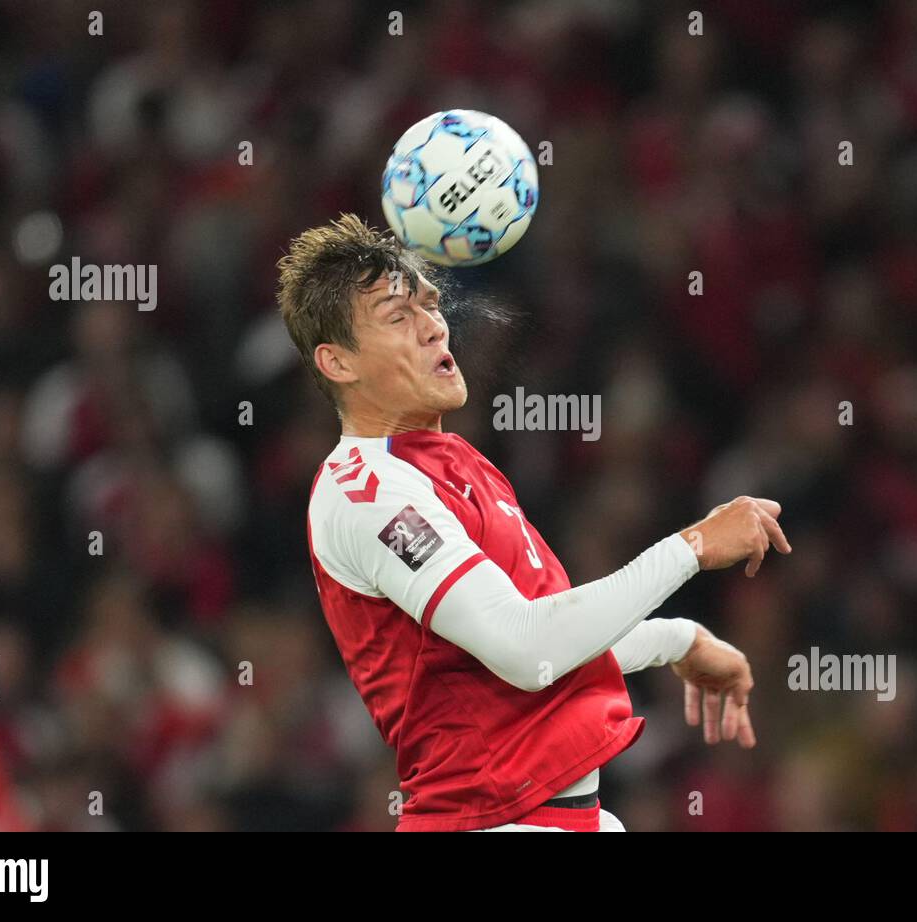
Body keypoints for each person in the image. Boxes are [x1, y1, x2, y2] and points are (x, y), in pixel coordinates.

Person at [277, 214, 791, 832]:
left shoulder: (454, 462)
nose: (433, 327)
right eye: (397, 317)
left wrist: (675, 640)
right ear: (337, 362)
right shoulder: (367, 490)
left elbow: (541, 642)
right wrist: (693, 547)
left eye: (430, 305)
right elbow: (527, 648)